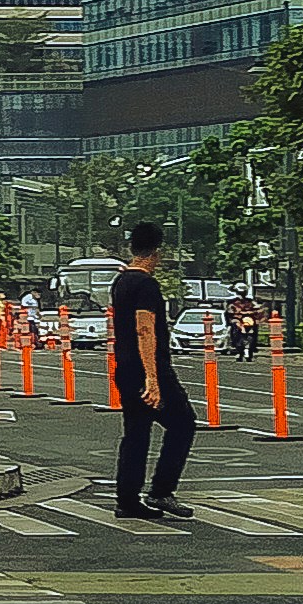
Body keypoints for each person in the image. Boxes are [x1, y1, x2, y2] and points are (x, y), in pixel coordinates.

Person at [110, 221, 194, 521]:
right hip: (149, 369)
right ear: (156, 253)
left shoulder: (121, 282)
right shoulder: (146, 285)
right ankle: (161, 490)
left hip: (125, 368)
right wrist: (153, 378)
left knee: (136, 433)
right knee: (184, 423)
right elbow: (145, 330)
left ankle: (127, 500)